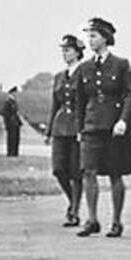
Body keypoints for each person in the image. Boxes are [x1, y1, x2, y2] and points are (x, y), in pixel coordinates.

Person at [73, 17, 131, 237]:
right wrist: (80, 129)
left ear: (106, 38)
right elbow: (80, 101)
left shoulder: (120, 65)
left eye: (94, 36)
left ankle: (116, 221)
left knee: (115, 173)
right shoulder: (84, 68)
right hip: (92, 126)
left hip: (114, 127)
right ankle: (92, 219)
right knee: (88, 171)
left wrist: (123, 120)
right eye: (88, 36)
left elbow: (130, 95)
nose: (90, 40)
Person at [46, 34, 85, 227]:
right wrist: (48, 131)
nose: (64, 54)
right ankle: (72, 201)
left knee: (76, 171)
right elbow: (55, 104)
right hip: (60, 127)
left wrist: (84, 127)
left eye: (68, 50)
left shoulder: (85, 72)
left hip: (77, 127)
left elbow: (86, 102)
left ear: (77, 53)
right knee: (58, 169)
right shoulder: (59, 77)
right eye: (63, 50)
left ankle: (75, 211)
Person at [0, 87, 22, 157]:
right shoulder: (8, 102)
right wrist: (7, 123)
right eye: (14, 93)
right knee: (11, 139)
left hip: (15, 122)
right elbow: (6, 114)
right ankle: (11, 152)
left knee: (16, 138)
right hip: (11, 123)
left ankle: (15, 152)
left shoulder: (14, 102)